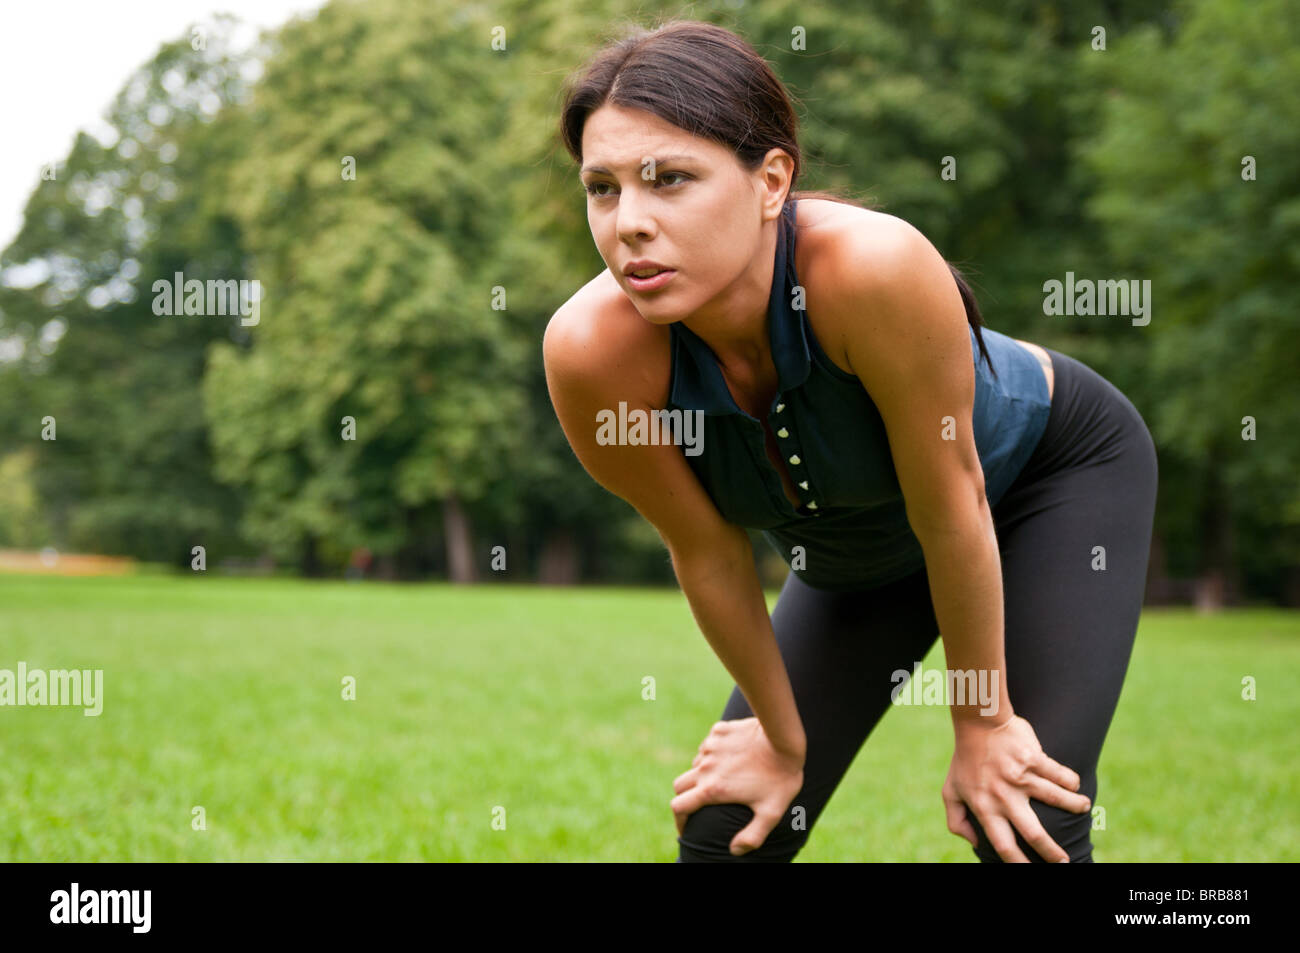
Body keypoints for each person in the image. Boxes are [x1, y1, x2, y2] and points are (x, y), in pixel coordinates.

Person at [543, 20, 1158, 862]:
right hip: (858, 545)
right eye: (603, 188)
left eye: (671, 180)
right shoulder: (592, 355)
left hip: (1043, 480)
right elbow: (709, 551)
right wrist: (779, 737)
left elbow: (953, 501)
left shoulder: (871, 269)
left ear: (772, 180)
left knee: (1021, 815)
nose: (630, 224)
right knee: (731, 831)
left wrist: (982, 720)